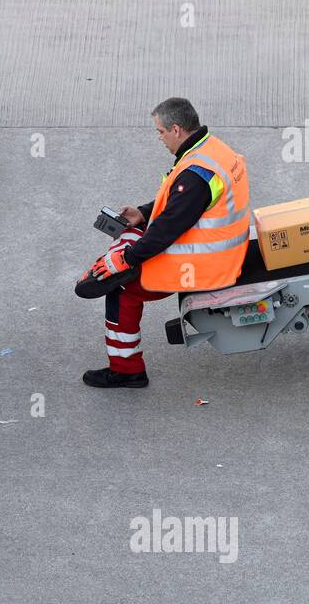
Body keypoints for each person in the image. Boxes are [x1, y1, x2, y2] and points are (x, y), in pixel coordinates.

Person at [75, 98, 251, 388]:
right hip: (226, 250)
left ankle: (126, 370)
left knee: (121, 288)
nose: (159, 138)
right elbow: (181, 205)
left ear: (177, 129)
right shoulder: (210, 149)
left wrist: (128, 260)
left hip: (205, 264)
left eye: (160, 131)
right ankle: (122, 257)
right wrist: (143, 213)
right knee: (133, 238)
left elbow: (168, 228)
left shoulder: (195, 174)